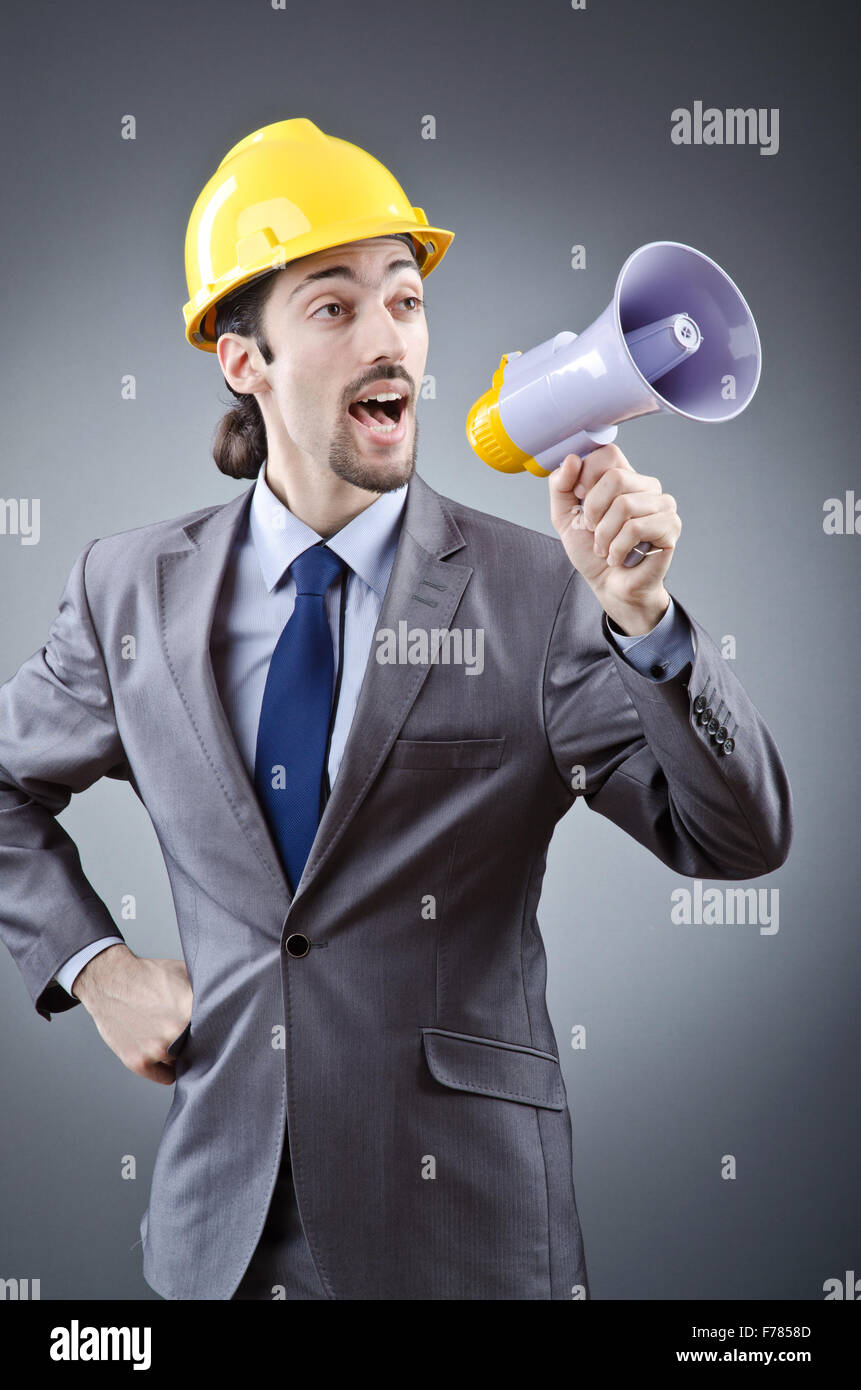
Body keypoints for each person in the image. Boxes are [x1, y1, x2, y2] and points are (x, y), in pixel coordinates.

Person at [0, 118, 792, 1301]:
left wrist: (647, 621)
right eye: (333, 306)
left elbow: (736, 837)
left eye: (406, 301)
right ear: (240, 356)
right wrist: (94, 965)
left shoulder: (542, 595)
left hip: (463, 1247)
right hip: (218, 1248)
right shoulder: (127, 588)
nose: (390, 342)